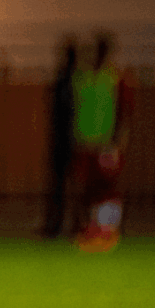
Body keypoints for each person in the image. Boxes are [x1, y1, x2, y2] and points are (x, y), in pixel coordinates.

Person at [72, 32, 133, 252]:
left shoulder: (114, 77)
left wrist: (117, 142)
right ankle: (91, 231)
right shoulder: (83, 76)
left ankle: (109, 232)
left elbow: (123, 112)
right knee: (87, 191)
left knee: (107, 190)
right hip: (84, 143)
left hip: (106, 145)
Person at [41, 36, 77, 239]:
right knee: (59, 186)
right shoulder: (65, 79)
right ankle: (56, 224)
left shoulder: (71, 80)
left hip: (68, 139)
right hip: (63, 138)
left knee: (64, 186)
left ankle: (61, 225)